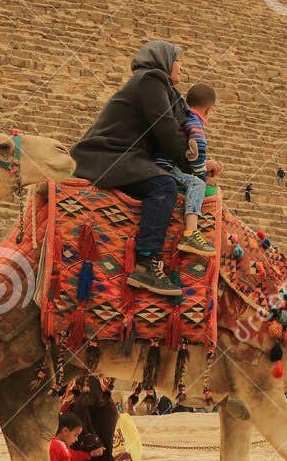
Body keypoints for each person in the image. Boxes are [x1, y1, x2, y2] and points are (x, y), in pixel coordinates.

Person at [68, 40, 194, 297]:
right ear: (164, 61)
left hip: (122, 155)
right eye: (178, 60)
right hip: (107, 155)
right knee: (164, 185)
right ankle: (147, 263)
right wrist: (193, 166)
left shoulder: (155, 85)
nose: (182, 67)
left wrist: (197, 161)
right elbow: (165, 128)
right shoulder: (151, 80)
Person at [157, 82, 221, 257]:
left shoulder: (184, 116)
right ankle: (191, 233)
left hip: (166, 162)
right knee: (197, 184)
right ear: (209, 109)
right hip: (166, 166)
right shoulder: (195, 123)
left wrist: (206, 165)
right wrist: (203, 173)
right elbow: (197, 151)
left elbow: (189, 153)